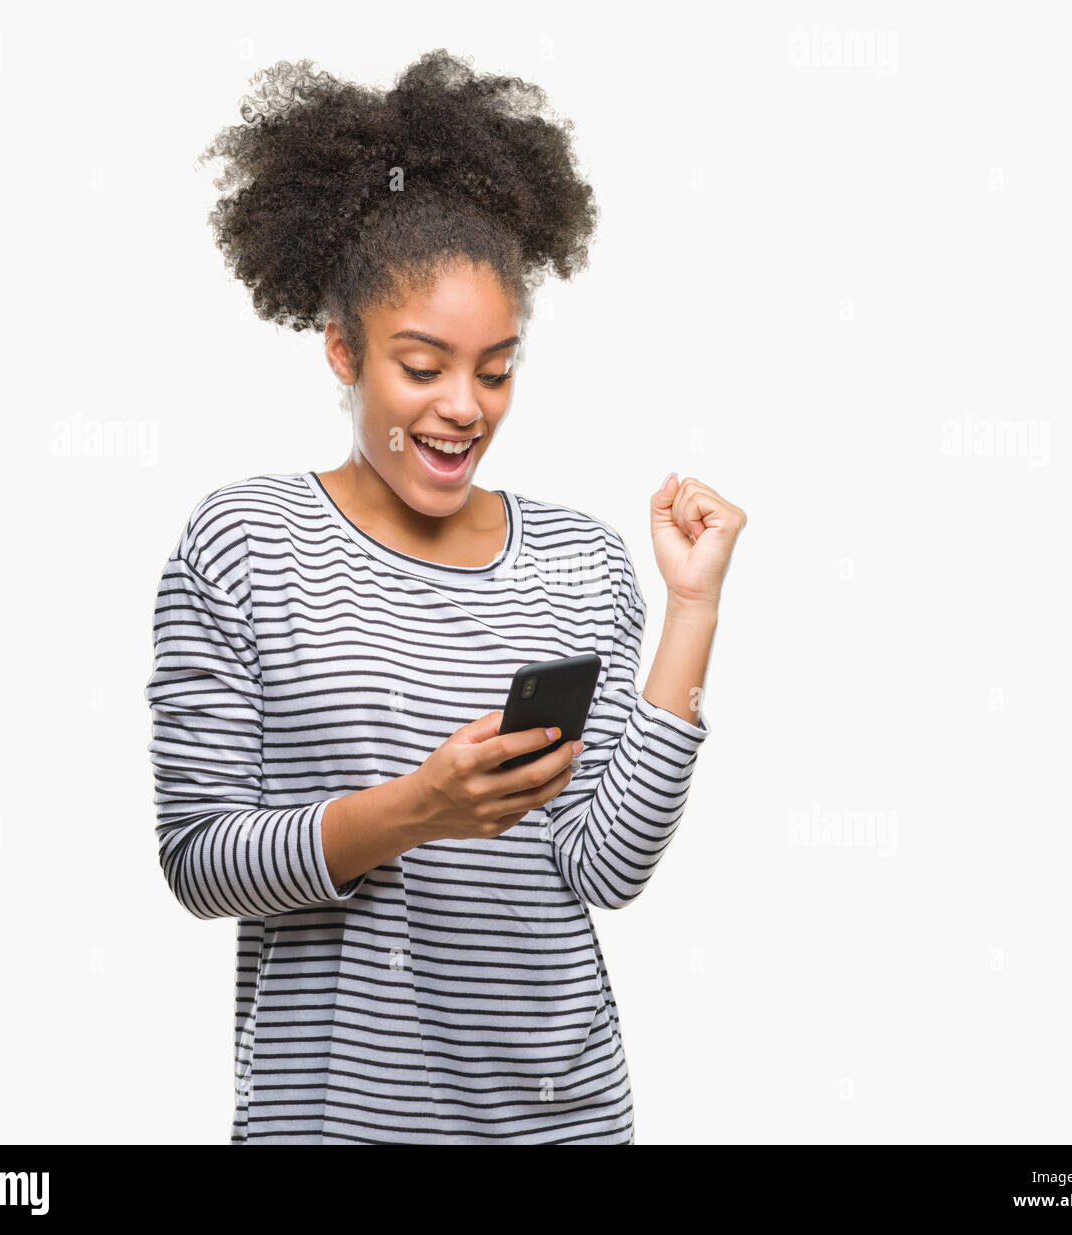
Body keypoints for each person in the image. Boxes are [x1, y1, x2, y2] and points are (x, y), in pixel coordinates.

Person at [145, 50, 747, 1144]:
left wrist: (690, 611)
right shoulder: (244, 543)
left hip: (562, 1113)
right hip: (336, 1118)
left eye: (497, 367)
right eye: (422, 366)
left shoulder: (583, 561)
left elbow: (603, 865)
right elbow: (199, 859)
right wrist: (419, 809)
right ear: (345, 350)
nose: (464, 407)